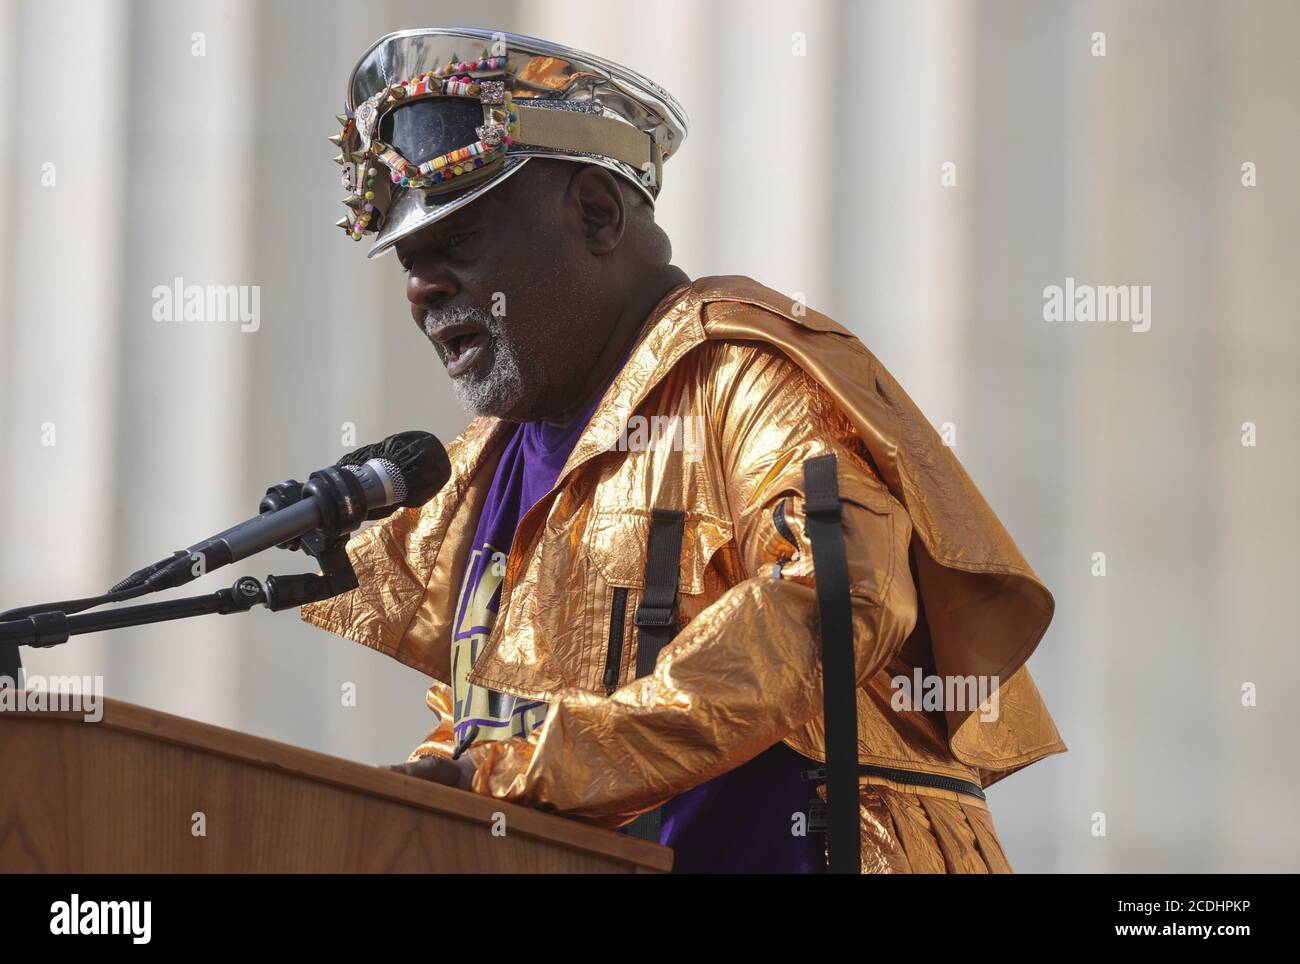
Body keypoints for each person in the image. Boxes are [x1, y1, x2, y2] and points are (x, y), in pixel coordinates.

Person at [304, 27, 1066, 873]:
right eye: (409, 261)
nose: (421, 288)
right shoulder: (490, 462)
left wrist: (532, 766)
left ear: (595, 213)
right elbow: (483, 730)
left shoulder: (747, 377)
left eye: (458, 243)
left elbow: (833, 600)